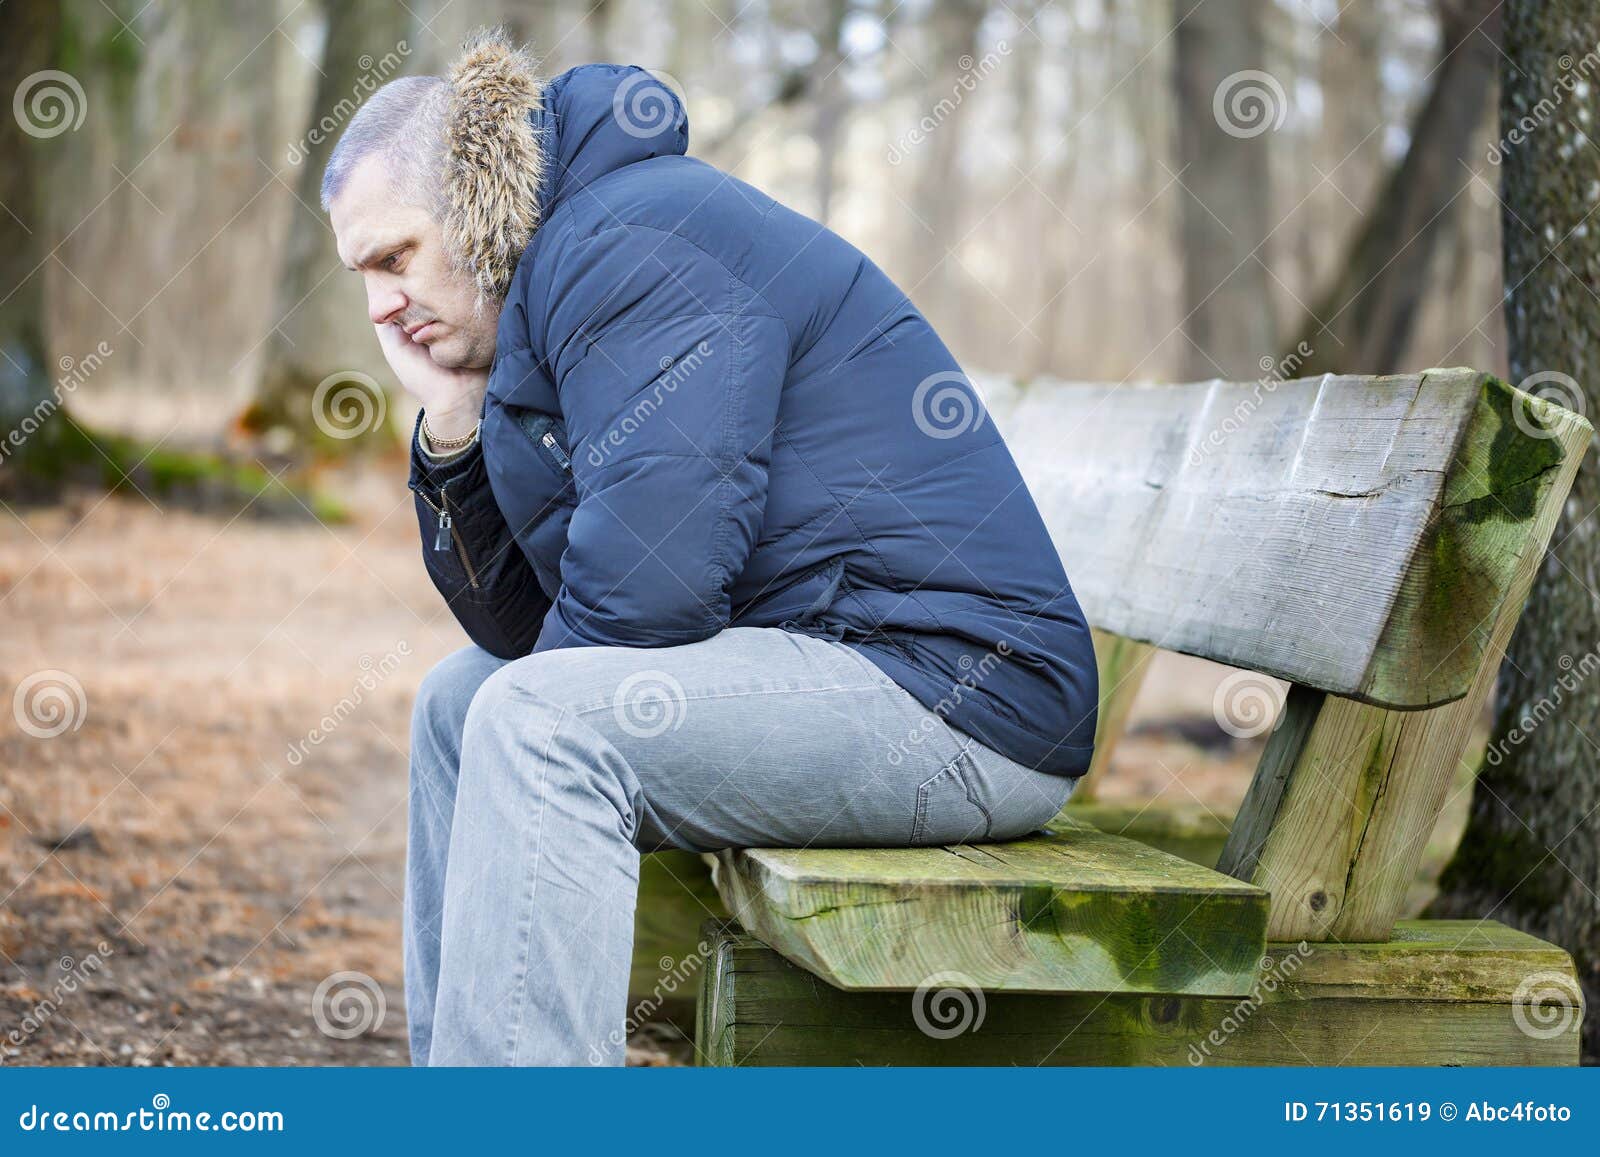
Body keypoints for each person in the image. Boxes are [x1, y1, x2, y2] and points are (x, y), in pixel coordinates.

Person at [321, 27, 1098, 1067]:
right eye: (359, 275)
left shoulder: (630, 242)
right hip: (838, 660)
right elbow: (520, 633)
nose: (379, 305)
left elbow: (650, 595)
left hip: (961, 695)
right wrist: (457, 424)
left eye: (393, 258)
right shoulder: (540, 302)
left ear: (468, 202)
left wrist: (542, 703)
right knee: (464, 702)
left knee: (540, 726)